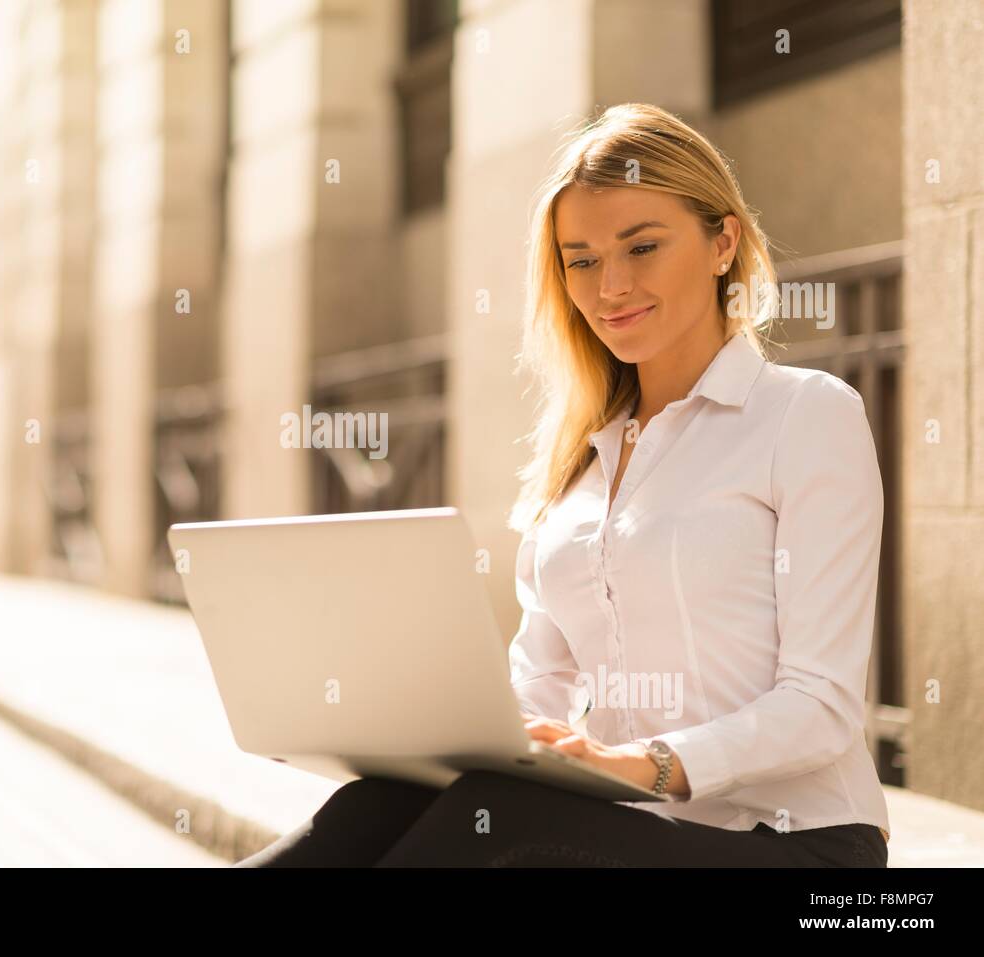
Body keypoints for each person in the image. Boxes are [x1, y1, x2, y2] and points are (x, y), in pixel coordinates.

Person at [235, 102, 890, 868]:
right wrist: (425, 738)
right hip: (619, 827)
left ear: (723, 242)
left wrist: (645, 763)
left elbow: (822, 704)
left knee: (501, 818)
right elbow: (536, 685)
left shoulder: (805, 415)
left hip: (796, 847)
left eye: (641, 246)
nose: (611, 285)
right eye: (580, 260)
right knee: (379, 802)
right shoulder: (577, 459)